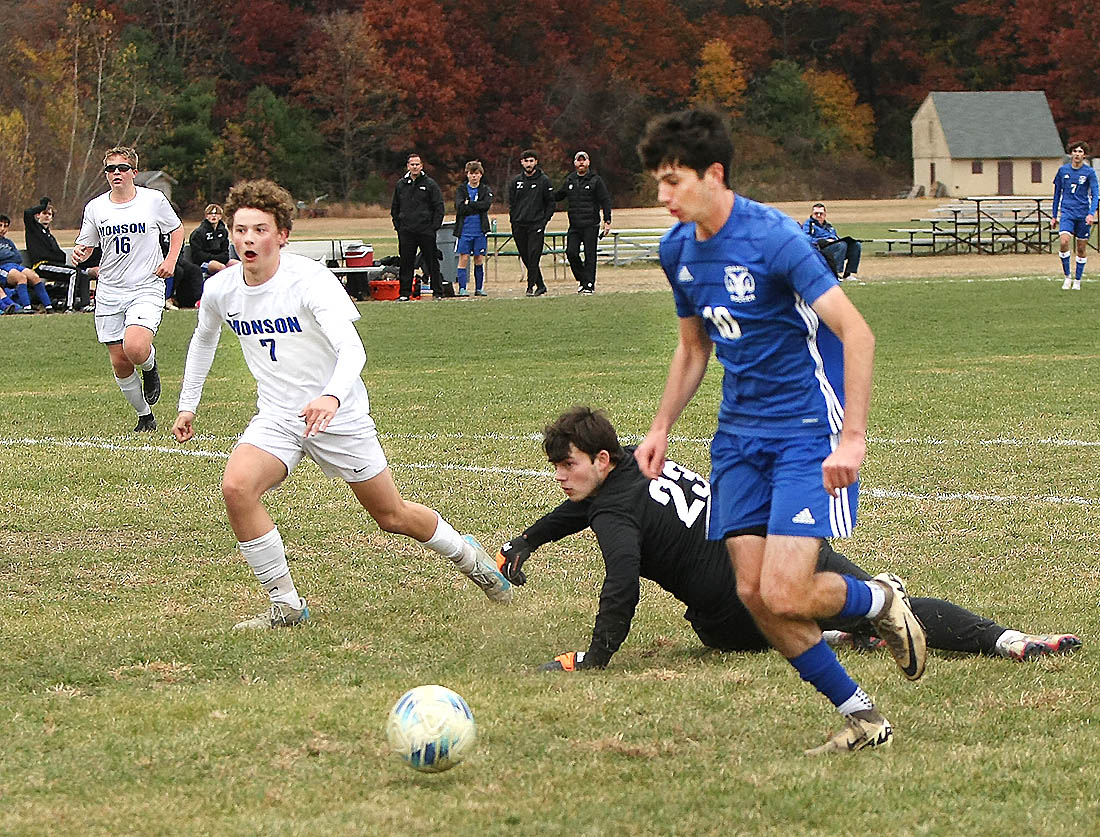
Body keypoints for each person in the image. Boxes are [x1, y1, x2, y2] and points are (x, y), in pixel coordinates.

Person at [633, 107, 922, 756]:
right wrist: (659, 427)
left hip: (803, 433)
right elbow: (692, 349)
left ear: (715, 174)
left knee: (785, 590)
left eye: (673, 180)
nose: (662, 196)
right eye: (657, 181)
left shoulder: (775, 238)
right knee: (750, 593)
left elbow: (858, 332)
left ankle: (877, 598)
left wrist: (852, 438)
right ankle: (863, 718)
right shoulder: (678, 248)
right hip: (736, 438)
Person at [497, 407, 1081, 672]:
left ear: (600, 459)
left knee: (711, 629)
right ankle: (1010, 641)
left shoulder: (613, 513)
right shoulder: (631, 465)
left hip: (737, 602)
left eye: (566, 465)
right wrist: (528, 539)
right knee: (888, 606)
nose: (558, 477)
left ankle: (829, 629)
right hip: (779, 540)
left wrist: (594, 657)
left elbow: (621, 581)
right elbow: (585, 506)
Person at [171, 179, 512, 629]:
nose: (248, 239)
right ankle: (287, 606)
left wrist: (330, 396)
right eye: (240, 230)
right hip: (278, 416)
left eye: (260, 229)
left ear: (283, 235)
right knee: (236, 488)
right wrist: (187, 405)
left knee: (391, 516)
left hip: (340, 415)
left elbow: (353, 350)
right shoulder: (221, 291)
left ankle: (471, 558)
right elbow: (203, 341)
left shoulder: (311, 281)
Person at [71, 146, 184, 432]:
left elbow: (176, 229)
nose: (116, 173)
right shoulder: (96, 207)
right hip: (110, 289)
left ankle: (150, 367)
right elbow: (87, 243)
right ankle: (144, 416)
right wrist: (80, 253)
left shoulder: (153, 200)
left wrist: (170, 259)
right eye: (111, 169)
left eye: (122, 168)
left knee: (134, 346)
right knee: (120, 360)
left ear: (134, 172)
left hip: (145, 285)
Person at [553, 151, 612, 294]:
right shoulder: (570, 180)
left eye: (583, 160)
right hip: (574, 224)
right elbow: (559, 195)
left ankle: (589, 284)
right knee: (571, 252)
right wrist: (544, 194)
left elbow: (605, 200)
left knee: (590, 255)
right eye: (578, 161)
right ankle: (582, 279)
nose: (581, 163)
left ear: (588, 162)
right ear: (574, 163)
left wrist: (607, 220)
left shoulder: (595, 180)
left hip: (591, 224)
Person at [391, 153, 445, 301]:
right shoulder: (401, 185)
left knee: (431, 261)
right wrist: (399, 226)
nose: (415, 167)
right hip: (407, 231)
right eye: (412, 164)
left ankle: (438, 292)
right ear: (408, 166)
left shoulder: (430, 184)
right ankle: (404, 293)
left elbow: (439, 206)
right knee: (406, 262)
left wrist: (433, 226)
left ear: (421, 166)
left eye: (417, 164)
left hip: (425, 230)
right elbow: (395, 207)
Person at [23, 198, 93, 311]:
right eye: (44, 213)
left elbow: (59, 255)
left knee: (83, 274)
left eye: (49, 214)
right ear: (38, 215)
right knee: (73, 273)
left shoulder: (49, 236)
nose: (47, 216)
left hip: (53, 265)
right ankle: (69, 307)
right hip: (41, 266)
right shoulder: (33, 229)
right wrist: (43, 205)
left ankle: (85, 305)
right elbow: (27, 213)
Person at [1050, 140, 1098, 291]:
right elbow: (1057, 193)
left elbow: (1096, 194)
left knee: (1081, 248)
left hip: (1083, 214)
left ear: (1084, 155)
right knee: (1064, 242)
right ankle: (1067, 277)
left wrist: (1091, 213)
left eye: (1080, 152)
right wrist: (1054, 215)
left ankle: (1078, 279)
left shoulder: (1089, 172)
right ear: (1071, 154)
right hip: (1067, 212)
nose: (1077, 154)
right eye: (1075, 151)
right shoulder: (1063, 171)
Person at [507, 149, 556, 297]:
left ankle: (530, 286)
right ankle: (540, 285)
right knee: (526, 256)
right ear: (522, 162)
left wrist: (543, 221)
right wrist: (514, 219)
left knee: (534, 254)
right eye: (526, 161)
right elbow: (512, 203)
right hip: (519, 224)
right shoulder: (516, 181)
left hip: (536, 224)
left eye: (531, 161)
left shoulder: (544, 180)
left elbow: (551, 203)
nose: (529, 164)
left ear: (536, 162)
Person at [452, 161, 493, 297]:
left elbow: (485, 205)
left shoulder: (485, 190)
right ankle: (462, 288)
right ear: (467, 174)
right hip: (464, 230)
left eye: (476, 174)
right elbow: (459, 207)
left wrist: (470, 203)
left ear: (481, 175)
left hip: (480, 230)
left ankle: (479, 288)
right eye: (471, 174)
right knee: (463, 258)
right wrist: (474, 206)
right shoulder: (461, 189)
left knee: (479, 258)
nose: (474, 176)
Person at [0, 214, 53, 312]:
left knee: (34, 277)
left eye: (5, 226)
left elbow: (18, 257)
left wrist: (6, 255)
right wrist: (8, 255)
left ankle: (48, 306)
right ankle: (26, 307)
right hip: (2, 268)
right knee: (21, 277)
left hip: (15, 265)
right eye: (0, 225)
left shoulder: (8, 242)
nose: (3, 229)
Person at [801, 203, 861, 281]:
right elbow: (805, 238)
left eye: (821, 213)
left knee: (856, 245)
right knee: (841, 245)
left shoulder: (828, 226)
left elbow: (835, 236)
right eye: (816, 213)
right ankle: (836, 273)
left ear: (825, 214)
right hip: (819, 249)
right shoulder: (809, 224)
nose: (818, 215)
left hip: (834, 246)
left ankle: (848, 274)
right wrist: (821, 241)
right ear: (812, 214)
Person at [188, 203, 237, 277]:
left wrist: (221, 258)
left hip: (221, 260)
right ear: (206, 216)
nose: (213, 216)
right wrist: (216, 258)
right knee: (221, 268)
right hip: (204, 263)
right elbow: (198, 255)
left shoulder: (223, 231)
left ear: (220, 216)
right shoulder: (198, 233)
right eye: (210, 213)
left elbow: (225, 253)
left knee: (239, 266)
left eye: (216, 213)